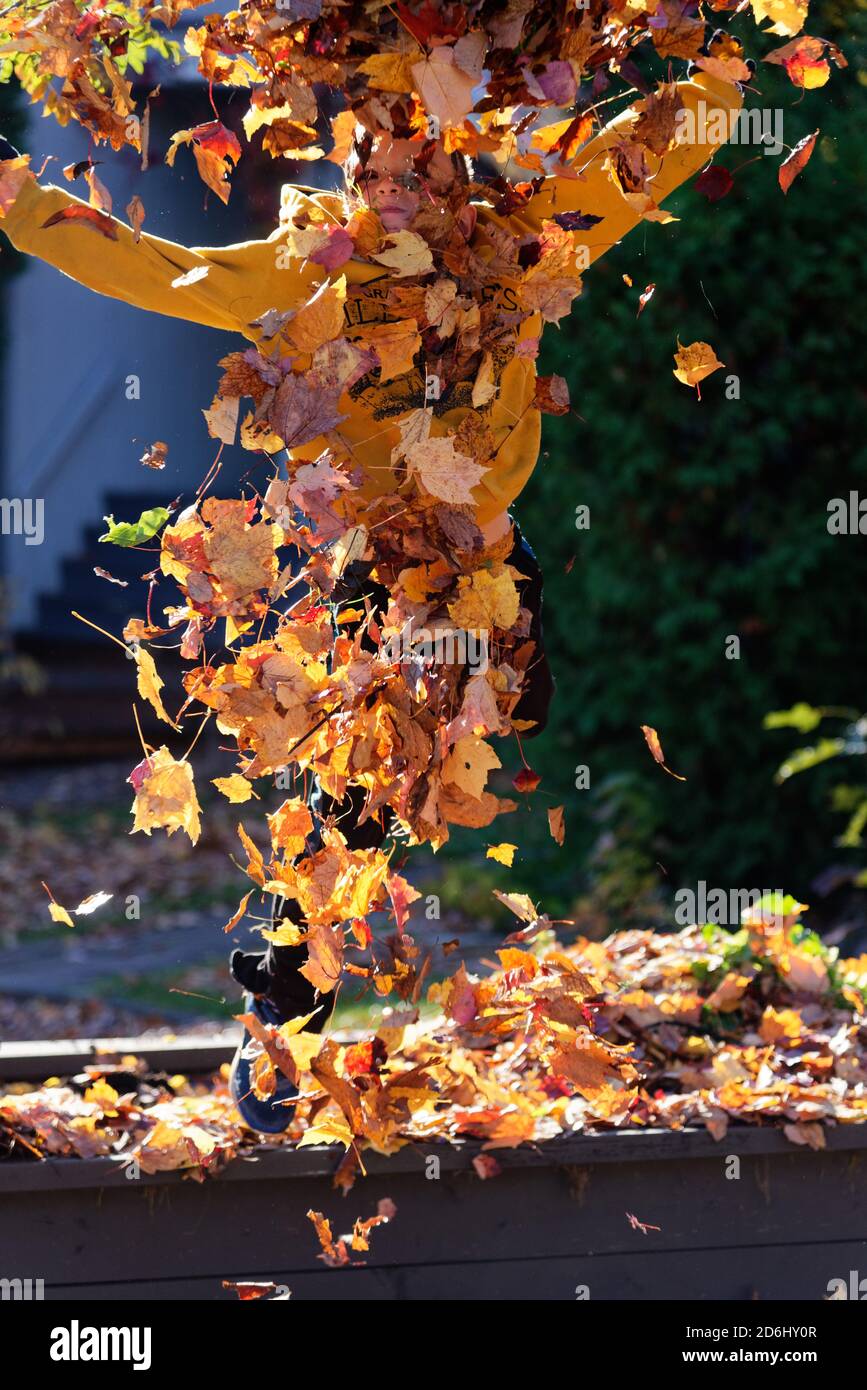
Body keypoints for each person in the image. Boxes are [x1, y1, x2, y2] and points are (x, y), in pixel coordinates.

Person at [0, 72, 743, 1129]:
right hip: (369, 567)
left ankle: (342, 922)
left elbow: (630, 167)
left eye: (417, 165)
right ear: (347, 174)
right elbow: (163, 267)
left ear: (452, 166)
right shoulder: (308, 267)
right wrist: (20, 203)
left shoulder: (519, 238)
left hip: (485, 568)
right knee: (346, 804)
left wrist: (714, 90)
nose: (394, 185)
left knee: (487, 743)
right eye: (371, 167)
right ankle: (288, 1010)